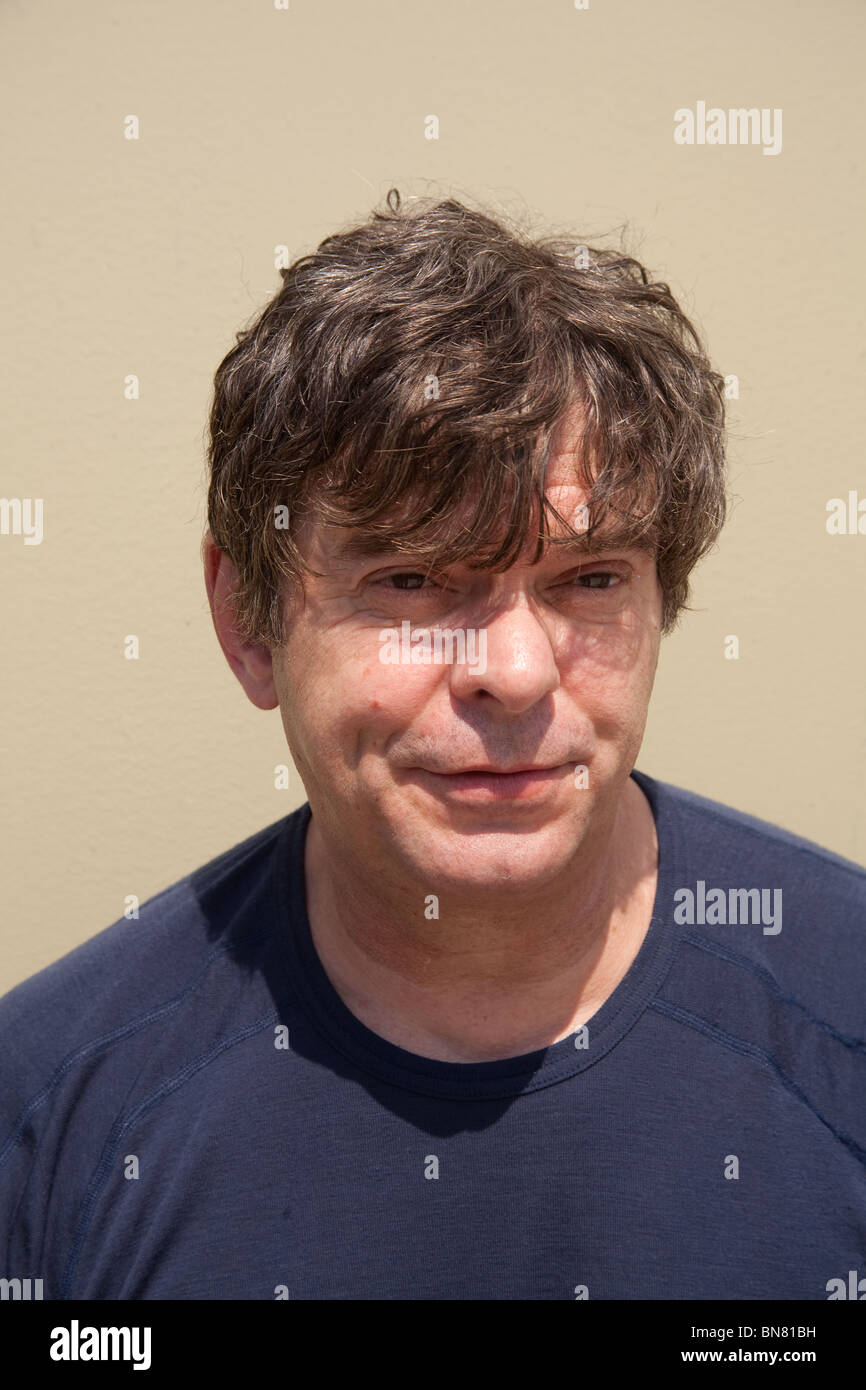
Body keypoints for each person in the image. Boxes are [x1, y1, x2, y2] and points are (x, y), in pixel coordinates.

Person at [2, 189, 864, 1302]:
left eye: (587, 579)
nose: (512, 670)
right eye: (411, 579)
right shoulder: (49, 1114)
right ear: (248, 622)